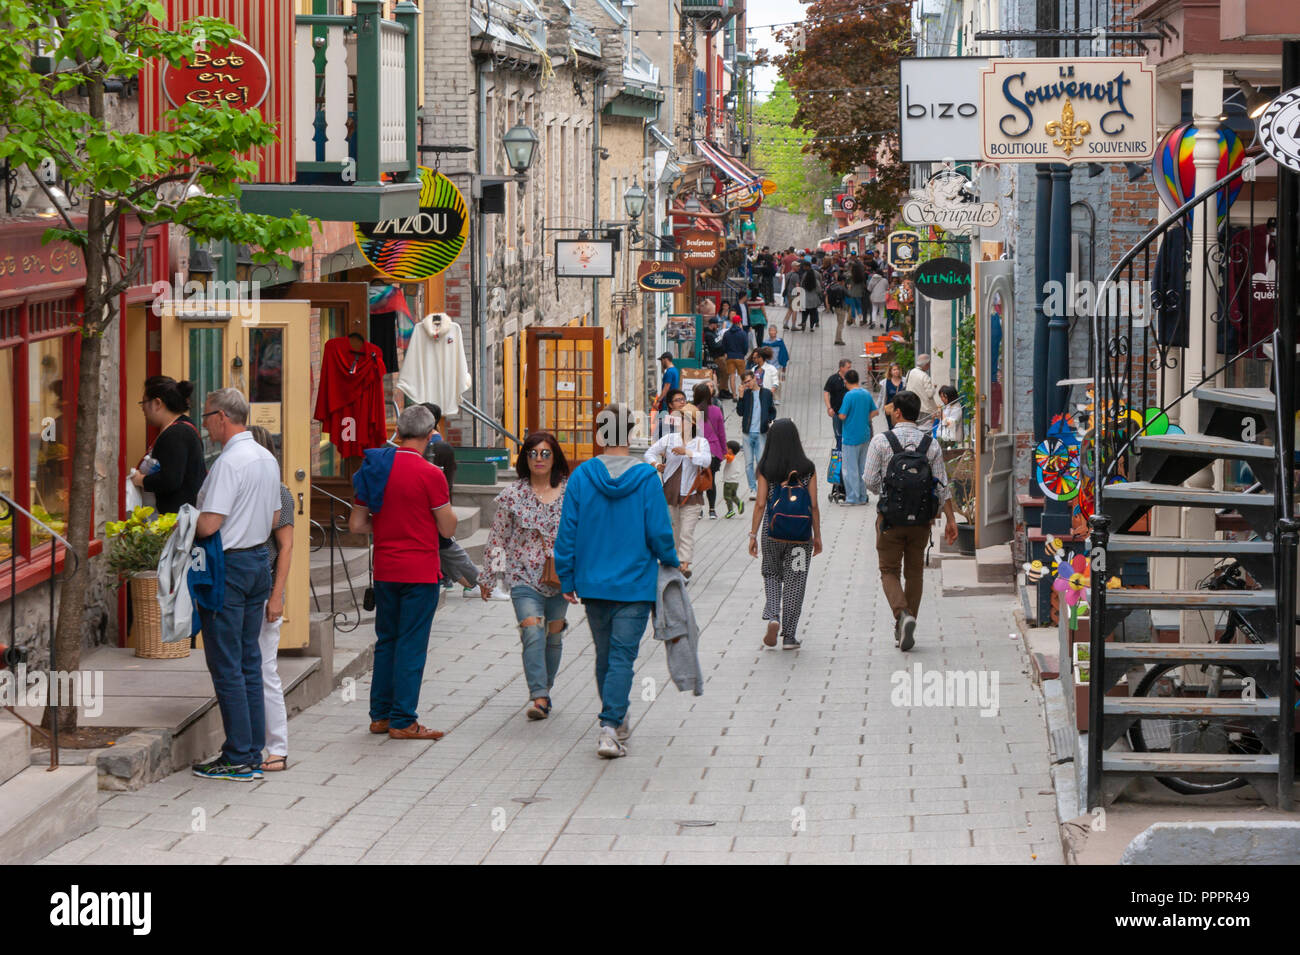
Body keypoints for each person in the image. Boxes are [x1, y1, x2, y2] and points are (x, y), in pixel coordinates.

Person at [554, 403, 679, 759]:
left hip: (593, 582)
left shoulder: (581, 477)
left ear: (599, 434)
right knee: (623, 656)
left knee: (605, 654)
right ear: (630, 434)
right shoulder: (645, 478)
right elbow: (659, 531)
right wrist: (671, 563)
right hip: (635, 584)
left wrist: (567, 575)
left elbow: (567, 533)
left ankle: (615, 716)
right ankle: (610, 726)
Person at [349, 404, 457, 740]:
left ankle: (380, 715)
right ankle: (403, 720)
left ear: (398, 430)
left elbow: (356, 524)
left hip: (385, 568)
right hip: (420, 570)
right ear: (429, 435)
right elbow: (447, 525)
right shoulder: (431, 474)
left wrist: (383, 528)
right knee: (412, 644)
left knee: (387, 641)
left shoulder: (376, 468)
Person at [191, 388, 282, 781]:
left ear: (223, 417)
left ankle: (238, 756)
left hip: (230, 564)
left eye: (207, 416)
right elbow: (277, 515)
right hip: (259, 561)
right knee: (248, 661)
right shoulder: (266, 456)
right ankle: (252, 751)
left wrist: (181, 521)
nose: (204, 424)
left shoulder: (231, 461)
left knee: (227, 663)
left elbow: (210, 524)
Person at [480, 431, 571, 721]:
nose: (539, 459)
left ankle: (545, 687)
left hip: (560, 576)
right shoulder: (513, 495)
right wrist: (490, 577)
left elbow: (582, 534)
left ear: (554, 457)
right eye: (533, 453)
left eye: (545, 453)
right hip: (523, 577)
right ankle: (539, 696)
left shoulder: (571, 493)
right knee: (532, 630)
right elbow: (498, 539)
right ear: (526, 458)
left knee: (553, 636)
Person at [863, 390, 960, 652]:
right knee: (914, 572)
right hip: (920, 520)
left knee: (889, 571)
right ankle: (908, 620)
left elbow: (869, 480)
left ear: (897, 412)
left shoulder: (881, 442)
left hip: (890, 520)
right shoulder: (930, 444)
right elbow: (942, 486)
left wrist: (885, 492)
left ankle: (901, 614)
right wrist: (950, 519)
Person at [748, 419, 822, 650]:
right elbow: (813, 505)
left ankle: (773, 616)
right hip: (801, 536)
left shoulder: (766, 467)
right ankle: (789, 636)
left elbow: (760, 504)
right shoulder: (807, 468)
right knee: (796, 580)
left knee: (771, 573)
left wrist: (752, 535)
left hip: (772, 533)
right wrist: (817, 535)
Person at [246, 425, 295, 774]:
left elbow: (287, 546)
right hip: (242, 589)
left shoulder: (280, 493)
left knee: (265, 669)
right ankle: (250, 742)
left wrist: (277, 597)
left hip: (264, 589)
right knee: (244, 667)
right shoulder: (239, 489)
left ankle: (276, 746)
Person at [644, 403, 712, 579]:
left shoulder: (700, 442)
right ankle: (674, 564)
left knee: (686, 532)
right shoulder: (669, 439)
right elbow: (649, 453)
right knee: (673, 530)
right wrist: (657, 465)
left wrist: (687, 452)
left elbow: (706, 461)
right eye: (681, 418)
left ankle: (684, 565)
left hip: (691, 494)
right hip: (670, 492)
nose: (682, 422)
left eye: (686, 419)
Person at [132, 376, 207, 514]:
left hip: (175, 523)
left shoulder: (176, 434)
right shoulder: (183, 428)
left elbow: (170, 480)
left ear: (157, 403)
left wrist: (140, 480)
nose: (142, 408)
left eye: (144, 402)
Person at [427, 441, 481, 590]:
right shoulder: (433, 472)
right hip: (432, 522)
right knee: (448, 547)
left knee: (446, 548)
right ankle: (479, 584)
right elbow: (448, 529)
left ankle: (472, 584)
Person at [837, 369, 879, 506]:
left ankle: (852, 497)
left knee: (850, 469)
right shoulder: (866, 393)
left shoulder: (849, 396)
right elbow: (875, 411)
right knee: (862, 468)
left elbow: (842, 415)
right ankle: (862, 496)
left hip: (850, 436)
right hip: (865, 435)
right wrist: (866, 418)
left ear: (846, 381)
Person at [736, 369, 776, 501]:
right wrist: (740, 397)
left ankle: (763, 488)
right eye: (744, 382)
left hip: (761, 432)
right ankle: (753, 489)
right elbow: (740, 412)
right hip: (747, 433)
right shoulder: (746, 394)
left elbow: (772, 410)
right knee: (748, 464)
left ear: (754, 378)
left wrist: (769, 420)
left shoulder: (766, 393)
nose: (747, 384)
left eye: (748, 381)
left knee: (761, 462)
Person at [693, 382, 727, 520]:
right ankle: (712, 510)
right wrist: (724, 451)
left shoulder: (692, 411)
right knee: (711, 479)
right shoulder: (716, 410)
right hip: (713, 450)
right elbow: (721, 433)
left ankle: (699, 509)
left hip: (697, 449)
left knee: (698, 478)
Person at [823, 358, 852, 451]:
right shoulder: (833, 379)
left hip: (849, 412)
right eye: (848, 367)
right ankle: (840, 451)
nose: (850, 369)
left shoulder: (851, 378)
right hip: (837, 411)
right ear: (841, 368)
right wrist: (829, 408)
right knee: (838, 434)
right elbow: (826, 392)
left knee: (849, 433)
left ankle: (848, 450)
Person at [903, 353, 940, 419]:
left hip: (912, 406)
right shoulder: (925, 376)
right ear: (927, 364)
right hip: (924, 409)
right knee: (925, 428)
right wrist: (933, 387)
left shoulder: (910, 372)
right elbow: (930, 394)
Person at [720, 315, 749, 397]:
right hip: (740, 357)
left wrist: (726, 352)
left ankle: (734, 395)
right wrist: (743, 353)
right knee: (742, 377)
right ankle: (742, 394)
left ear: (732, 322)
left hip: (730, 357)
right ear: (739, 322)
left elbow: (723, 345)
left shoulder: (727, 333)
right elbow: (746, 346)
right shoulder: (743, 334)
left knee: (732, 376)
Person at [721, 439, 745, 518]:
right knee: (733, 496)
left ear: (730, 450)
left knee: (727, 496)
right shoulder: (735, 459)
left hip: (729, 482)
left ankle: (730, 511)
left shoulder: (730, 457)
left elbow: (725, 456)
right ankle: (739, 503)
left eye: (726, 448)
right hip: (735, 482)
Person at [881, 361, 904, 430]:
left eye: (897, 369)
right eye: (894, 370)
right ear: (890, 371)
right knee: (891, 428)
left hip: (902, 409)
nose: (896, 371)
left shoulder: (904, 381)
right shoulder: (885, 382)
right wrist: (876, 408)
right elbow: (881, 396)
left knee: (901, 428)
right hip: (890, 409)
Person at [798, 264, 822, 331]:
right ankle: (811, 327)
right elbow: (819, 290)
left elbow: (801, 287)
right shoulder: (816, 281)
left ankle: (803, 322)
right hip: (813, 299)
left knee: (804, 313)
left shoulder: (804, 280)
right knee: (813, 314)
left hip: (805, 298)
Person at [846, 259, 866, 328]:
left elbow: (849, 285)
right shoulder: (861, 276)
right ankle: (860, 319)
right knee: (859, 307)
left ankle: (854, 321)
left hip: (852, 293)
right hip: (859, 293)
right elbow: (863, 285)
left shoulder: (851, 276)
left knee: (853, 307)